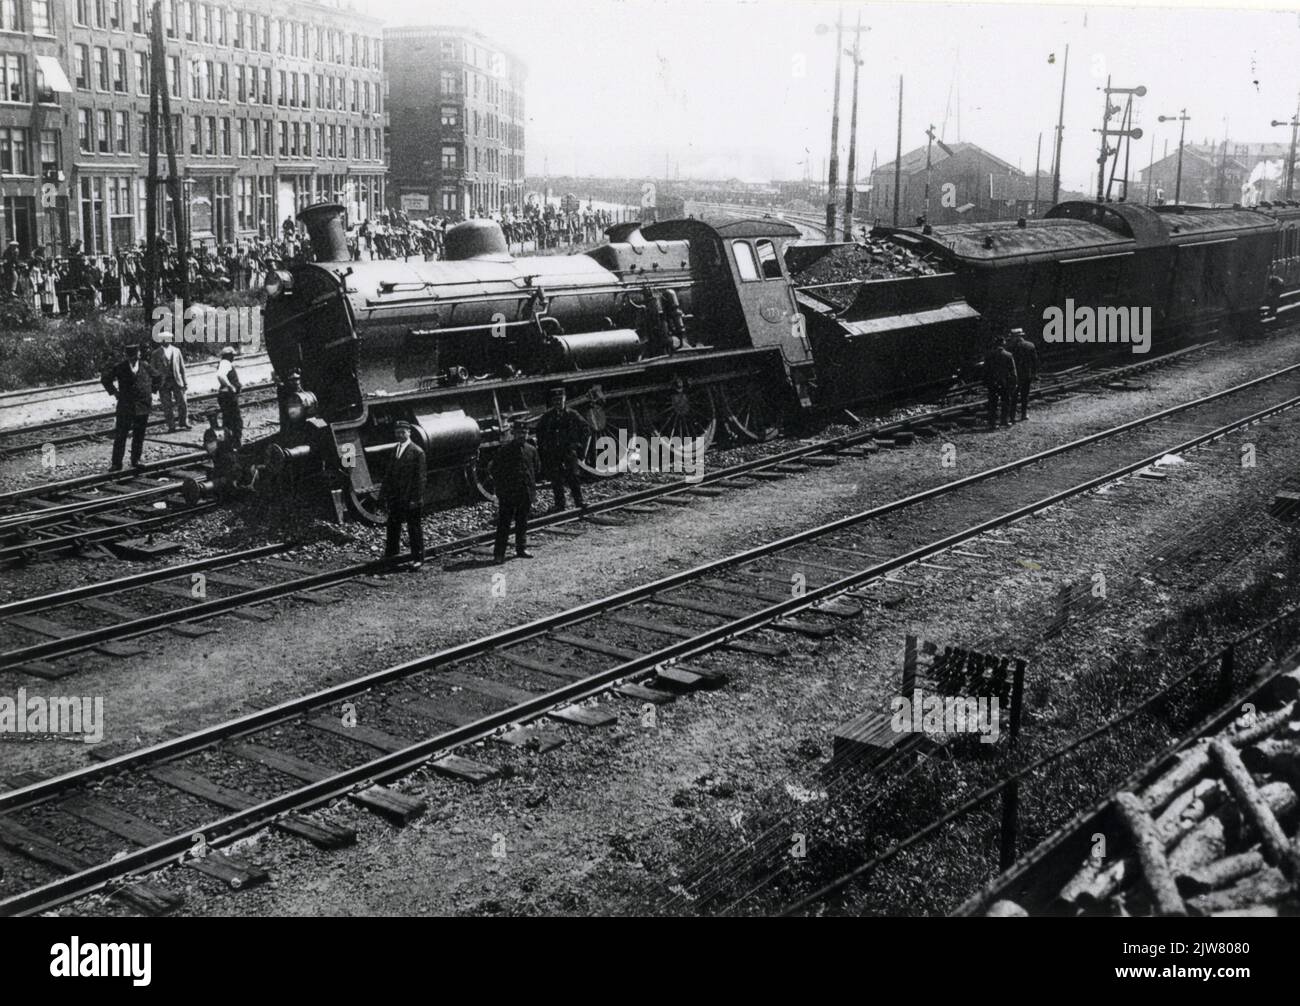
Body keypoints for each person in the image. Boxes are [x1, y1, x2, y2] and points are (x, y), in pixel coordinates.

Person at [489, 417, 541, 564]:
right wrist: (502, 489)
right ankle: (499, 554)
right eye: (519, 433)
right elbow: (494, 470)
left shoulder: (531, 450)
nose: (522, 436)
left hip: (525, 492)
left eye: (524, 433)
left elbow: (537, 468)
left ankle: (521, 548)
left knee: (522, 522)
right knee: (504, 524)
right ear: (513, 433)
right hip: (509, 494)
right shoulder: (504, 451)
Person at [102, 343, 157, 470]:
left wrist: (151, 391)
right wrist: (114, 392)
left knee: (139, 435)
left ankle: (135, 460)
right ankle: (116, 463)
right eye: (132, 355)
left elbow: (158, 377)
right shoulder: (120, 367)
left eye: (136, 354)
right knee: (121, 435)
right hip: (125, 406)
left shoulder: (145, 366)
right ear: (128, 356)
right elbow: (105, 379)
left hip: (142, 406)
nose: (135, 357)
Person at [381, 421, 426, 570]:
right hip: (396, 497)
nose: (400, 435)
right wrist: (384, 494)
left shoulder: (417, 452)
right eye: (397, 432)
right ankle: (392, 554)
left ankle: (418, 558)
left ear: (409, 433)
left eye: (403, 432)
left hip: (410, 498)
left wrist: (415, 499)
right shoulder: (395, 449)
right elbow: (388, 474)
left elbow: (420, 479)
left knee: (414, 528)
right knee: (393, 525)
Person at [536, 387, 588, 512]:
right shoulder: (547, 417)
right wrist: (545, 447)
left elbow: (585, 429)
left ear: (564, 399)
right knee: (556, 479)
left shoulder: (572, 414)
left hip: (569, 451)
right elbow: (539, 432)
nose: (558, 402)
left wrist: (578, 445)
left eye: (560, 399)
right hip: (554, 452)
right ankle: (560, 504)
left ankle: (579, 501)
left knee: (573, 477)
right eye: (555, 400)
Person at [153, 340, 190, 431]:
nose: (166, 341)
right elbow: (152, 370)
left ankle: (183, 422)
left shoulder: (176, 350)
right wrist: (155, 384)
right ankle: (171, 426)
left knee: (182, 402)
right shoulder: (155, 353)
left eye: (168, 338)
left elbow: (182, 368)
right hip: (163, 383)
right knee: (167, 405)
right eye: (164, 339)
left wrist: (185, 382)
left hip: (176, 381)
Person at [983, 336, 1018, 429]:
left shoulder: (989, 355)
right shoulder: (1008, 355)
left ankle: (992, 423)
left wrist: (986, 382)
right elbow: (1013, 371)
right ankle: (1004, 421)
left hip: (992, 382)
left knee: (992, 403)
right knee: (1006, 401)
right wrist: (1014, 382)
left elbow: (985, 370)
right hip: (1004, 382)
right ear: (1003, 343)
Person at [1008, 327, 1039, 422]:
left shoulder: (1010, 347)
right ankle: (1024, 414)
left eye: (1012, 337)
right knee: (1025, 396)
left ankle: (1012, 417)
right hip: (1026, 374)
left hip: (1015, 375)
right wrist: (1034, 373)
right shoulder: (1030, 345)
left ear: (1016, 337)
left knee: (1013, 396)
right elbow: (1035, 361)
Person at [216, 345, 243, 448]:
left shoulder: (224, 363)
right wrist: (230, 386)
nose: (233, 357)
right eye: (232, 355)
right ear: (228, 356)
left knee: (228, 420)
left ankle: (228, 443)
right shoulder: (225, 363)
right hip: (228, 396)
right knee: (236, 420)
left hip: (226, 395)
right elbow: (220, 375)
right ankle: (235, 443)